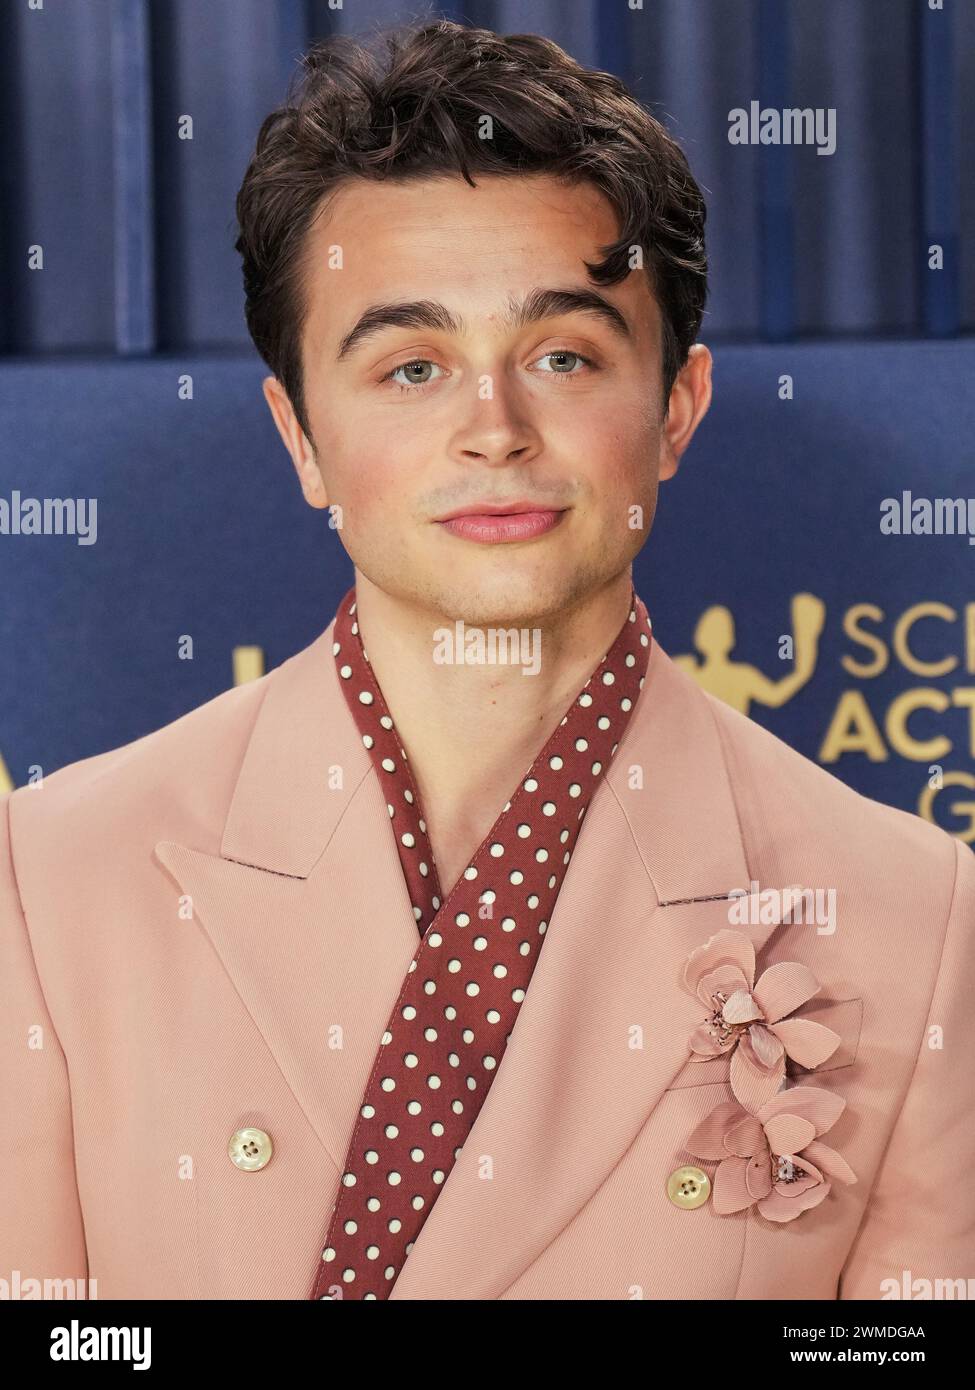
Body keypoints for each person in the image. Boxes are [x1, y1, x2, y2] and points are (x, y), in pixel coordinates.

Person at [2, 18, 972, 1303]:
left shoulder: (919, 916)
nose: (494, 430)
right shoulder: (53, 884)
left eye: (563, 355)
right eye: (411, 367)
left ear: (676, 407)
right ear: (300, 436)